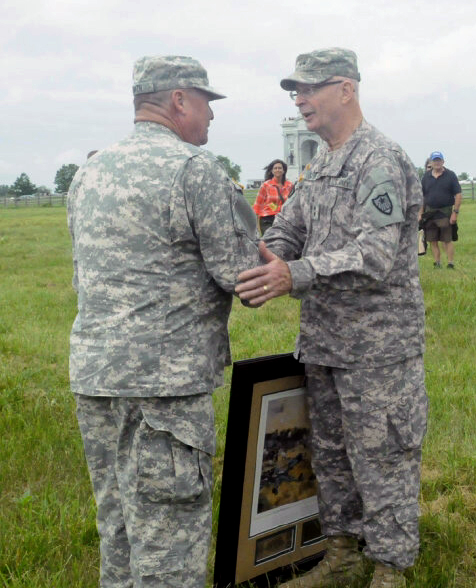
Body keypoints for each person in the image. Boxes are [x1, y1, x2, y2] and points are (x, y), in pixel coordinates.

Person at [235, 48, 426, 588]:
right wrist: (259, 259)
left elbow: (375, 256)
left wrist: (292, 275)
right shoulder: (319, 165)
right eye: (294, 91)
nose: (299, 100)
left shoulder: (379, 159)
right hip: (324, 342)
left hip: (377, 347)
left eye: (309, 89)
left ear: (346, 89)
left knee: (383, 455)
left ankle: (390, 569)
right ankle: (342, 555)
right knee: (332, 454)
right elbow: (286, 233)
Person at [67, 56, 260, 588]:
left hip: (97, 380)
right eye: (206, 103)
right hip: (165, 392)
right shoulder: (193, 170)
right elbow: (242, 276)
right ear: (178, 100)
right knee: (169, 545)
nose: (211, 118)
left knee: (120, 530)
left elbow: (84, 277)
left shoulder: (90, 171)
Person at [420, 151, 462, 269]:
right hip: (429, 213)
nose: (437, 163)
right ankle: (437, 262)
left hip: (445, 213)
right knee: (432, 240)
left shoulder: (450, 175)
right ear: (431, 163)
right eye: (435, 160)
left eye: (439, 160)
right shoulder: (425, 177)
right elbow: (421, 197)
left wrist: (455, 213)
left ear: (443, 161)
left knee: (446, 239)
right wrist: (420, 213)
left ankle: (450, 263)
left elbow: (458, 194)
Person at [252, 158, 294, 235]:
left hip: (284, 219)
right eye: (275, 168)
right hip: (267, 219)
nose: (277, 170)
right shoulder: (266, 185)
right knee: (270, 243)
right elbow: (257, 205)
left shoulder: (290, 185)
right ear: (272, 171)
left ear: (283, 170)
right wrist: (254, 226)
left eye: (280, 168)